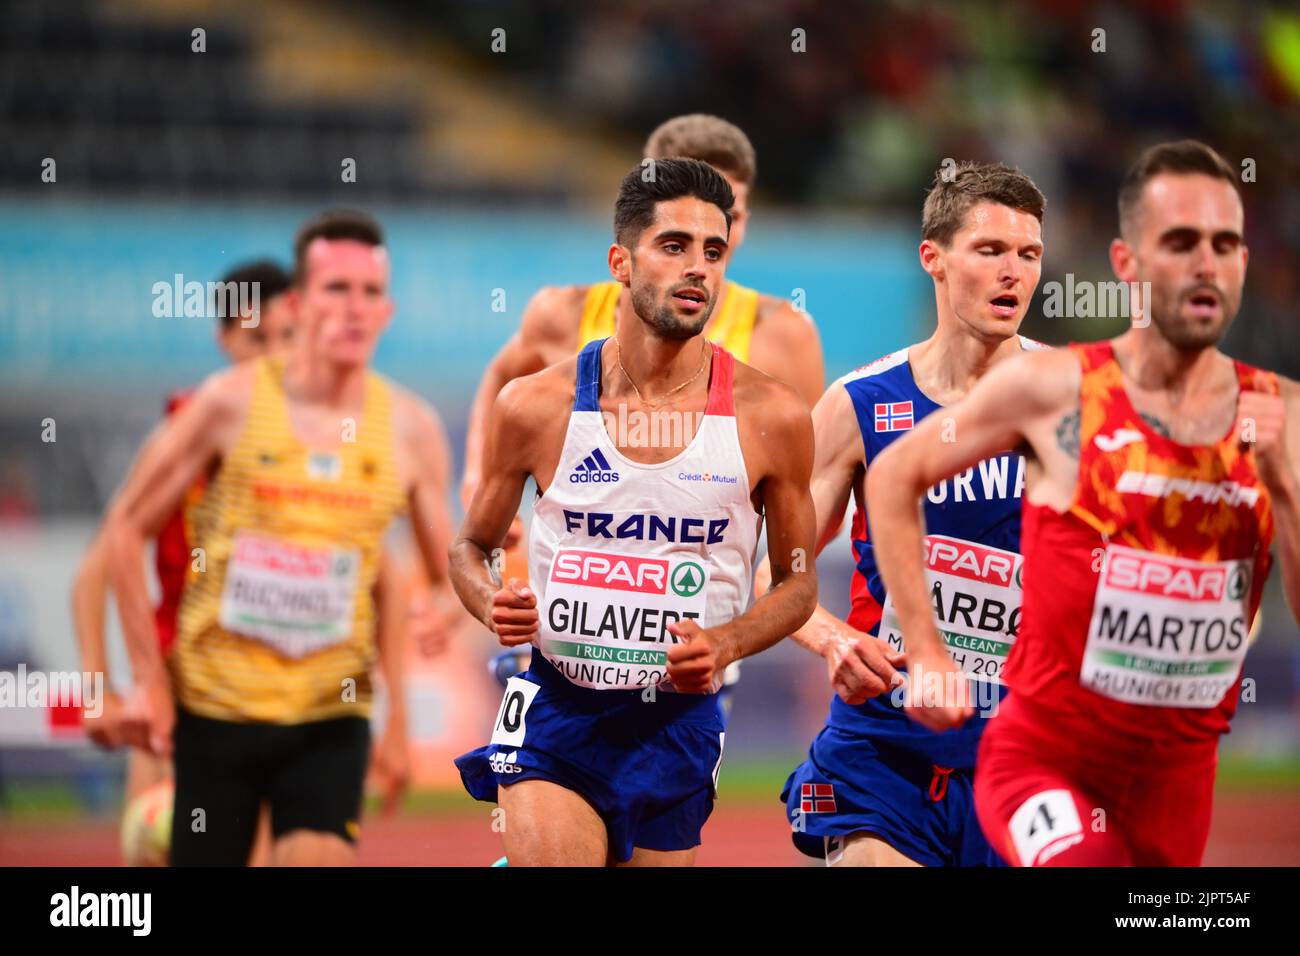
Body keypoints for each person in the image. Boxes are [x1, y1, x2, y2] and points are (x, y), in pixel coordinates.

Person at [868, 140, 1300, 866]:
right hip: (1045, 764)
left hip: (1175, 784)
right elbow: (893, 477)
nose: (1205, 264)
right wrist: (929, 651)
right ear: (1127, 265)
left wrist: (1285, 495)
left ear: (1243, 266)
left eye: (1225, 244)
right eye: (1180, 242)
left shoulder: (1280, 412)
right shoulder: (1055, 390)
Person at [451, 159, 818, 866]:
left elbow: (798, 584)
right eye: (674, 246)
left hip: (677, 724)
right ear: (620, 261)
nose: (698, 269)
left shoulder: (772, 417)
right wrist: (491, 603)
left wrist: (729, 643)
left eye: (713, 252)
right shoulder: (537, 406)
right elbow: (469, 548)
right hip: (558, 708)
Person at [105, 210, 455, 866]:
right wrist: (148, 681)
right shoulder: (226, 404)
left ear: (388, 310)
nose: (354, 308)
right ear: (300, 302)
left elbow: (447, 570)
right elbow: (126, 530)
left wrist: (450, 609)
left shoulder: (412, 428)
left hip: (329, 716)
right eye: (335, 289)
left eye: (370, 293)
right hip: (216, 711)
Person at [463, 117, 824, 696]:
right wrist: (475, 479)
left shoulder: (781, 337)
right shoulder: (564, 314)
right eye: (676, 238)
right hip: (559, 651)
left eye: (733, 215)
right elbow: (504, 386)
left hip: (692, 659)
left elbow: (808, 505)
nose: (719, 234)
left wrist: (754, 627)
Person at [766, 162, 1049, 866]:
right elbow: (764, 567)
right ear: (935, 258)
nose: (1013, 273)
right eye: (990, 251)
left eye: (1029, 255)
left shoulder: (1073, 400)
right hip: (884, 749)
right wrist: (832, 640)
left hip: (1028, 756)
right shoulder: (859, 406)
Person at [73, 260, 293, 865]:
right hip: (177, 704)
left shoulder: (322, 443)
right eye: (255, 341)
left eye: (287, 340)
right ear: (223, 340)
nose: (270, 358)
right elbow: (92, 576)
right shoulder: (179, 436)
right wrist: (101, 689)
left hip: (278, 704)